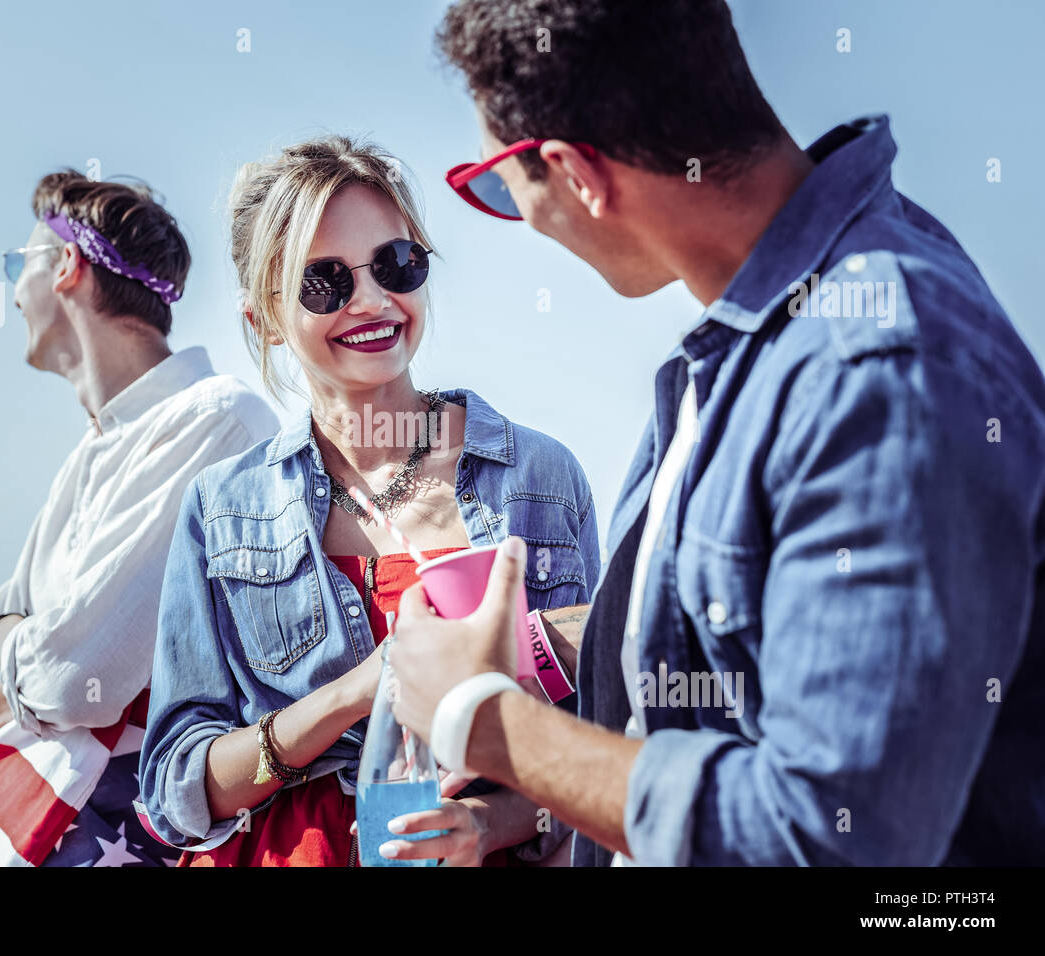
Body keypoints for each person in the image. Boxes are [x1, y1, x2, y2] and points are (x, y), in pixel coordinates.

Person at [387, 0, 1045, 866]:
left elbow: (831, 835)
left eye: (498, 189)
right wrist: (544, 789)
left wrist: (485, 720)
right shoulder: (757, 344)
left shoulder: (875, 365)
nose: (525, 224)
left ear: (574, 173)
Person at [137, 136, 600, 866]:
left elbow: (597, 746)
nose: (375, 301)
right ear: (263, 316)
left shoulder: (540, 477)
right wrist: (359, 692)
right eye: (325, 282)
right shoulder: (222, 504)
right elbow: (177, 789)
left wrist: (484, 824)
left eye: (397, 265)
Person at [0, 170, 279, 867]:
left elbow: (72, 683)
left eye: (17, 264)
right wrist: (38, 656)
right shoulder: (94, 455)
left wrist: (9, 640)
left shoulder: (217, 422)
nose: (10, 291)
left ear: (65, 266)